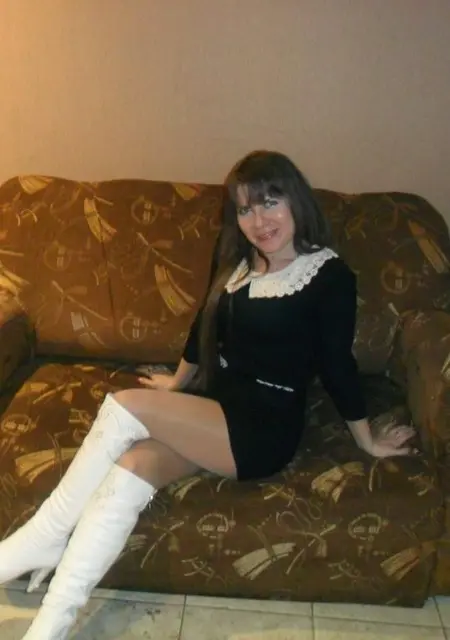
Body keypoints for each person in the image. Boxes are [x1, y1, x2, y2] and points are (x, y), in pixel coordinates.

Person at [0, 151, 415, 639]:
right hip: (214, 411)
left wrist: (366, 440)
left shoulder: (327, 275)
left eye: (270, 202)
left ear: (296, 200)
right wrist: (177, 385)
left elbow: (338, 365)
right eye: (245, 209)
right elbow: (203, 324)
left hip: (262, 428)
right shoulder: (239, 261)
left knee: (124, 407)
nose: (258, 221)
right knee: (130, 470)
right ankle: (52, 623)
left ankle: (45, 536)